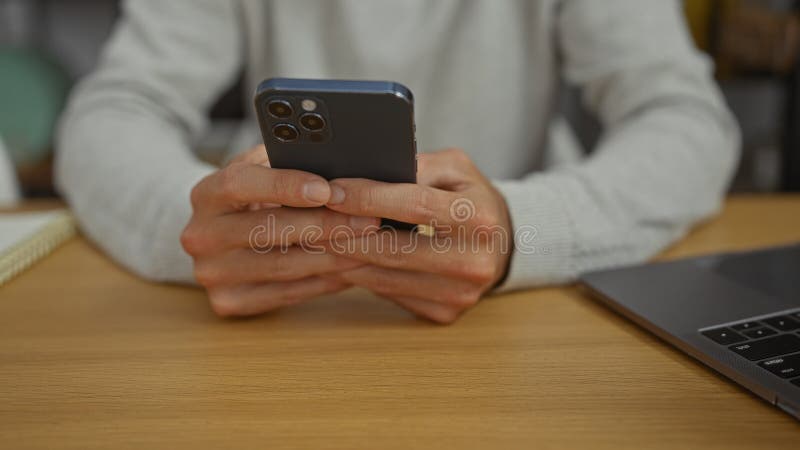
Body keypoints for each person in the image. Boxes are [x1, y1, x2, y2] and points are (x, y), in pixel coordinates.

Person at [56, 0, 740, 323]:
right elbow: (111, 114)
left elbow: (686, 118)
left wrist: (521, 230)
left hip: (520, 320)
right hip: (291, 330)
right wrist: (199, 226)